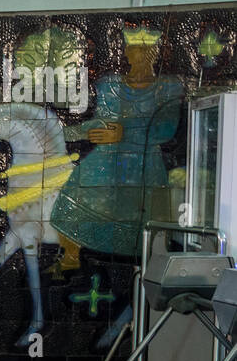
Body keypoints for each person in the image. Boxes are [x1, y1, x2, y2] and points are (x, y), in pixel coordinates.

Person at [50, 26, 184, 265]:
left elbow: (166, 129)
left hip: (144, 164)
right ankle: (71, 257)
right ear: (126, 52)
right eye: (133, 49)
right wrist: (90, 130)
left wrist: (125, 132)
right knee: (70, 203)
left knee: (147, 222)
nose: (139, 54)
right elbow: (104, 120)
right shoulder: (108, 85)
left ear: (156, 53)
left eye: (146, 50)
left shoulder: (169, 87)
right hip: (106, 159)